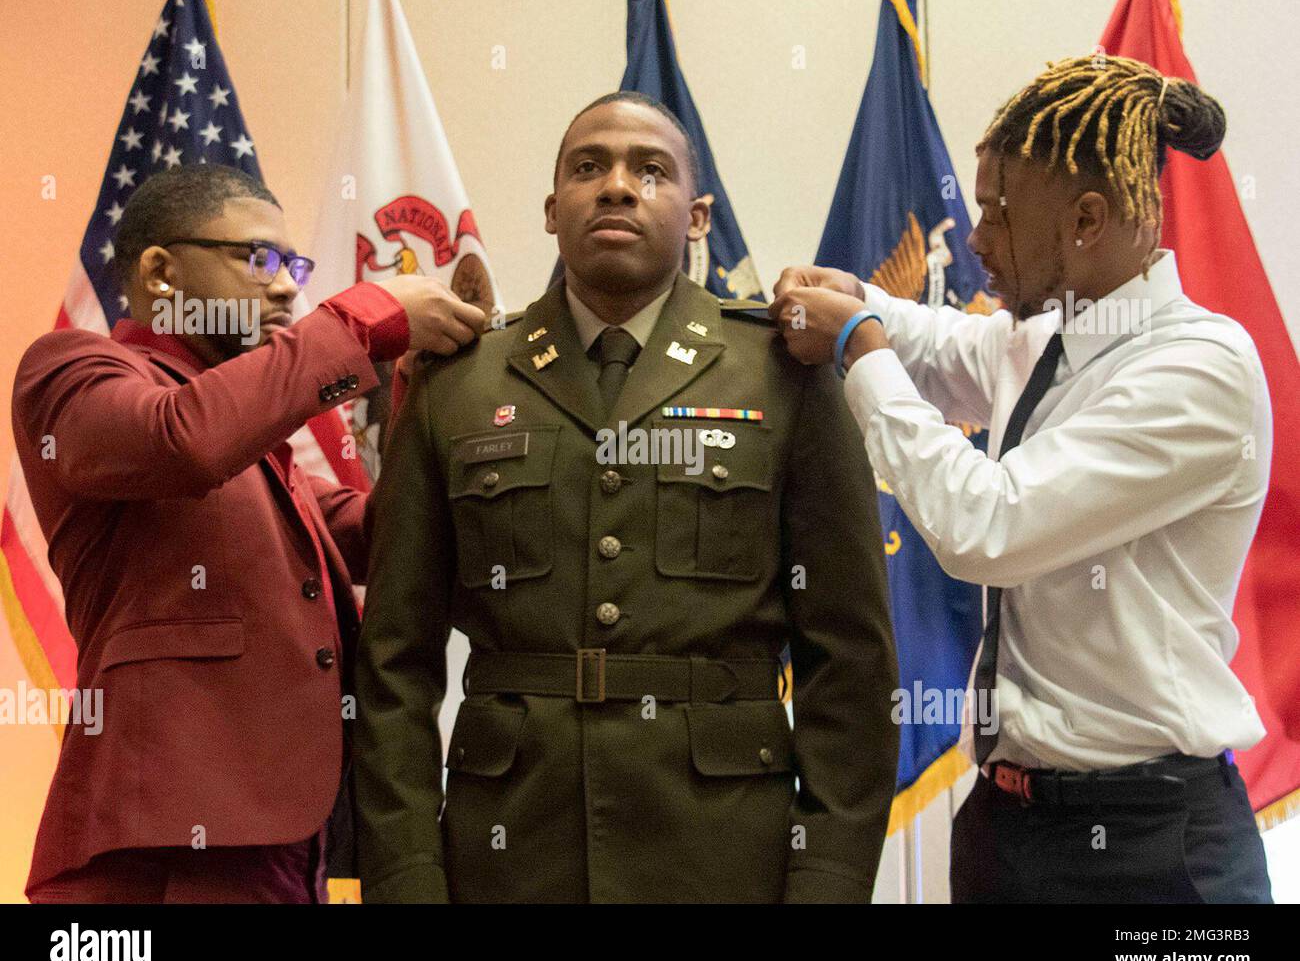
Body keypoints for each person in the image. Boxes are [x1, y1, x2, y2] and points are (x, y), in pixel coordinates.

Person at [353, 92, 900, 903]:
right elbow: (395, 662)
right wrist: (405, 876)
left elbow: (849, 661)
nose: (616, 187)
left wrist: (826, 876)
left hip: (725, 857)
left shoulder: (785, 376)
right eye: (588, 168)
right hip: (507, 852)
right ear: (551, 211)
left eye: (649, 170)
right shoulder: (458, 383)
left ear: (698, 215)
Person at [770, 56, 1273, 903]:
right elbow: (933, 343)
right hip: (1010, 832)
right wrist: (856, 297)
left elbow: (987, 528)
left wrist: (860, 342)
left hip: (1152, 850)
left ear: (1086, 219)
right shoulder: (1052, 335)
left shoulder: (1200, 369)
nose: (972, 241)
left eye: (998, 216)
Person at [16, 164, 485, 903]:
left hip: (287, 839)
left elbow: (373, 533)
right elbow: (183, 440)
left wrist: (425, 390)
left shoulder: (258, 439)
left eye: (292, 266)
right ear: (161, 271)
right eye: (257, 259)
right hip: (158, 851)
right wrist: (363, 318)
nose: (286, 288)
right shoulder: (73, 369)